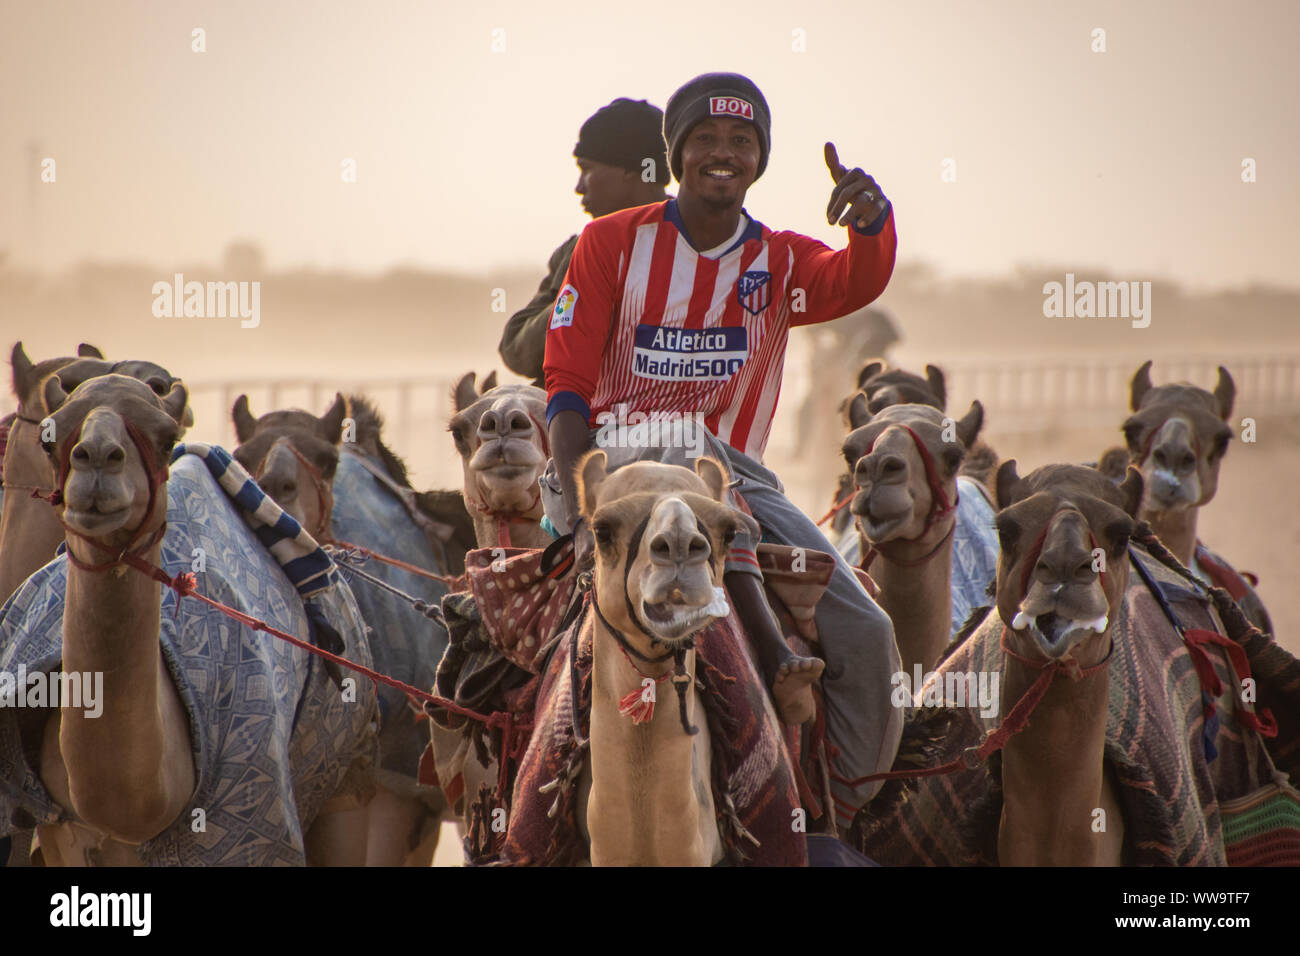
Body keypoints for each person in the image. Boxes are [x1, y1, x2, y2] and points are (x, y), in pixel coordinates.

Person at [542, 72, 904, 831]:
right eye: (704, 139)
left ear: (760, 160)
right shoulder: (610, 243)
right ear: (675, 155)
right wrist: (581, 493)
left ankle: (835, 803)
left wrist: (872, 222)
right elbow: (569, 378)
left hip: (735, 478)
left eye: (742, 142)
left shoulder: (781, 263)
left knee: (868, 631)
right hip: (621, 464)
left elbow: (857, 279)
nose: (723, 154)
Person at [498, 98, 669, 387]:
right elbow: (518, 351)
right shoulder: (576, 250)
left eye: (587, 169)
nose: (579, 187)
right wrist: (583, 291)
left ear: (629, 169)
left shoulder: (699, 245)